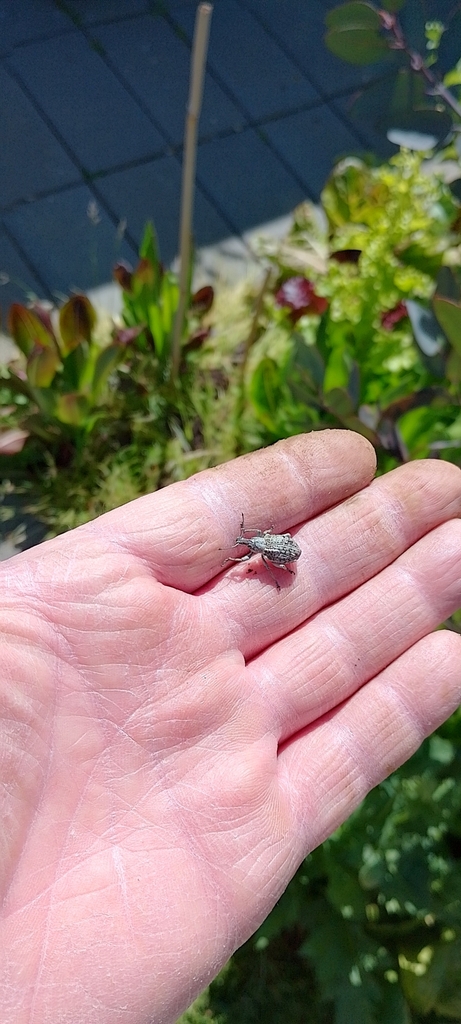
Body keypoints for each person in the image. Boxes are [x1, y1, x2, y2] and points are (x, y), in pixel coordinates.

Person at [1, 429, 461, 1024]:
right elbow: (264, 556)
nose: (251, 550)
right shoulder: (264, 554)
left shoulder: (271, 553)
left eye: (255, 547)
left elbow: (273, 556)